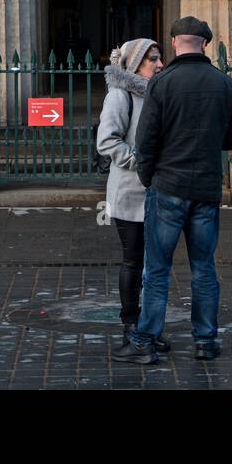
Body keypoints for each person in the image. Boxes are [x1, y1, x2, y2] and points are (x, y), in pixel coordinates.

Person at [112, 16, 232, 364]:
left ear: (174, 43)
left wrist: (147, 177)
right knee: (204, 268)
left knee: (156, 269)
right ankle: (206, 341)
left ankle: (146, 340)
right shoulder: (223, 84)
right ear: (206, 43)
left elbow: (146, 139)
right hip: (205, 188)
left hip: (168, 186)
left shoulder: (163, 83)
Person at [96, 37, 169, 352]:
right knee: (133, 261)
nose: (160, 64)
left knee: (154, 264)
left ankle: (148, 328)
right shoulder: (120, 95)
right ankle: (130, 323)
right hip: (129, 193)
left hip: (157, 192)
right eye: (153, 58)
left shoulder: (157, 95)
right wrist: (143, 159)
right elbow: (107, 142)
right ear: (136, 63)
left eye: (160, 57)